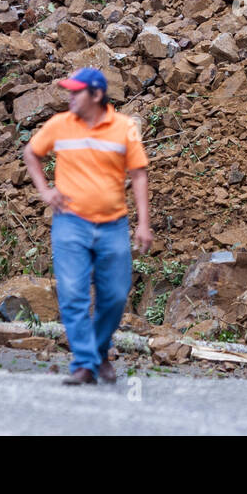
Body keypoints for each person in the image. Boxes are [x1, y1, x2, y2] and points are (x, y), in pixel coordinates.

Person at [22, 67, 152, 386]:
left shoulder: (124, 128)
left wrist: (144, 224)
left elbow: (138, 175)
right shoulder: (59, 125)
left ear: (95, 95)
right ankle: (85, 363)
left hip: (113, 225)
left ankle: (98, 352)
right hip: (71, 223)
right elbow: (31, 153)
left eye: (75, 92)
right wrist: (44, 190)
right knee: (72, 293)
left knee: (116, 295)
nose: (69, 97)